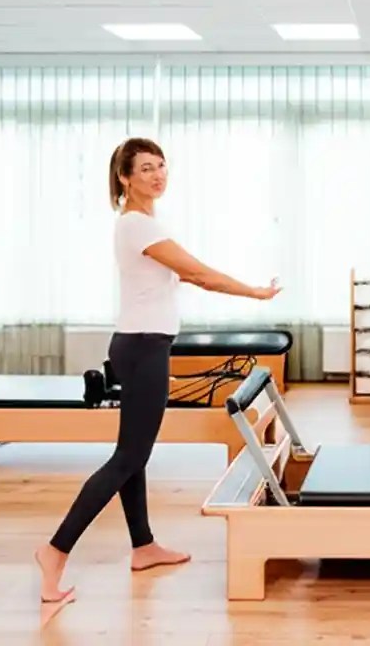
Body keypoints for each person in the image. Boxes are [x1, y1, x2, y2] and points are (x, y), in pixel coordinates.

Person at [34, 137, 281, 604]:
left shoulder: (144, 222)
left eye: (162, 166)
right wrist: (254, 293)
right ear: (124, 177)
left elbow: (183, 275)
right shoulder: (135, 226)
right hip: (144, 347)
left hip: (141, 343)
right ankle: (55, 551)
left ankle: (143, 545)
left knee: (134, 453)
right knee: (127, 457)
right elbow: (198, 274)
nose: (157, 174)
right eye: (146, 168)